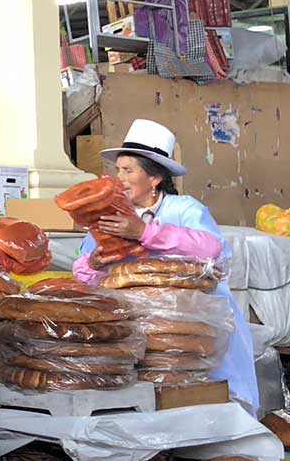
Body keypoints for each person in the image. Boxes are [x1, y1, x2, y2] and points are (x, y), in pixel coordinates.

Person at [73, 118, 258, 410]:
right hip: (137, 328)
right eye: (117, 170)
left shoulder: (184, 208)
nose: (118, 178)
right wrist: (95, 261)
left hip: (196, 327)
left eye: (128, 170)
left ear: (154, 178)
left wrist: (144, 233)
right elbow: (82, 272)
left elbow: (213, 250)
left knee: (208, 402)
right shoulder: (110, 216)